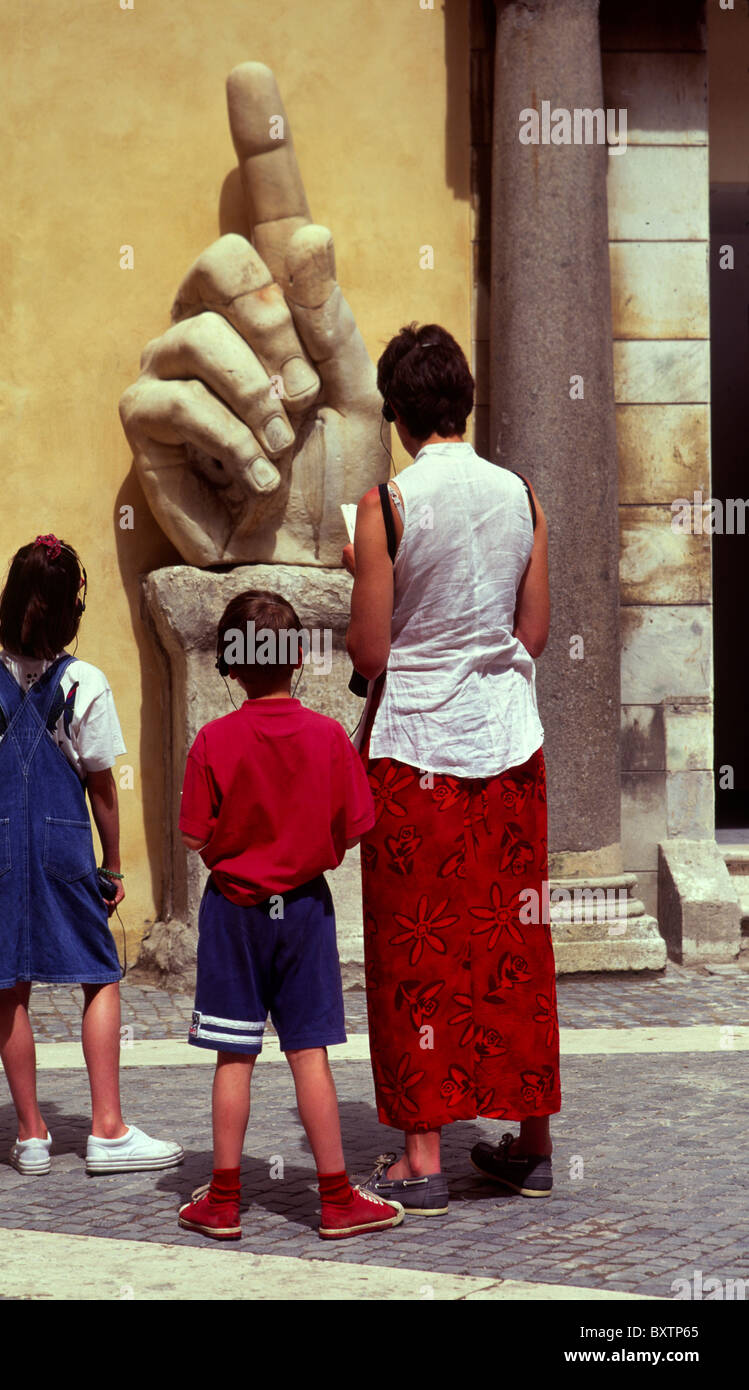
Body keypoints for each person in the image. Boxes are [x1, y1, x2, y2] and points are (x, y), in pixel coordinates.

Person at [343, 324, 560, 1215]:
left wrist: (363, 571)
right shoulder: (524, 496)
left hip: (417, 752)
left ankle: (423, 1156)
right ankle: (533, 1140)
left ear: (396, 414)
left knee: (415, 948)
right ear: (465, 402)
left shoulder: (385, 505)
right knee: (511, 941)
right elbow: (532, 633)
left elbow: (368, 648)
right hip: (509, 743)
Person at [0, 534, 183, 1177]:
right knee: (98, 972)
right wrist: (115, 864)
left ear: (10, 602)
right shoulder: (85, 683)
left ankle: (31, 1135)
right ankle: (107, 1129)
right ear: (71, 607)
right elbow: (102, 783)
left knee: (7, 985)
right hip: (65, 842)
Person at [176, 589, 404, 1240]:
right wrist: (313, 846)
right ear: (299, 657)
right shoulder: (329, 737)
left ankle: (222, 1201)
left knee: (233, 1057)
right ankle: (335, 1200)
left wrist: (233, 852)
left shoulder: (212, 742)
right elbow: (357, 825)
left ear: (230, 664)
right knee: (309, 1055)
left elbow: (196, 835)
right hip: (304, 910)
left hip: (232, 913)